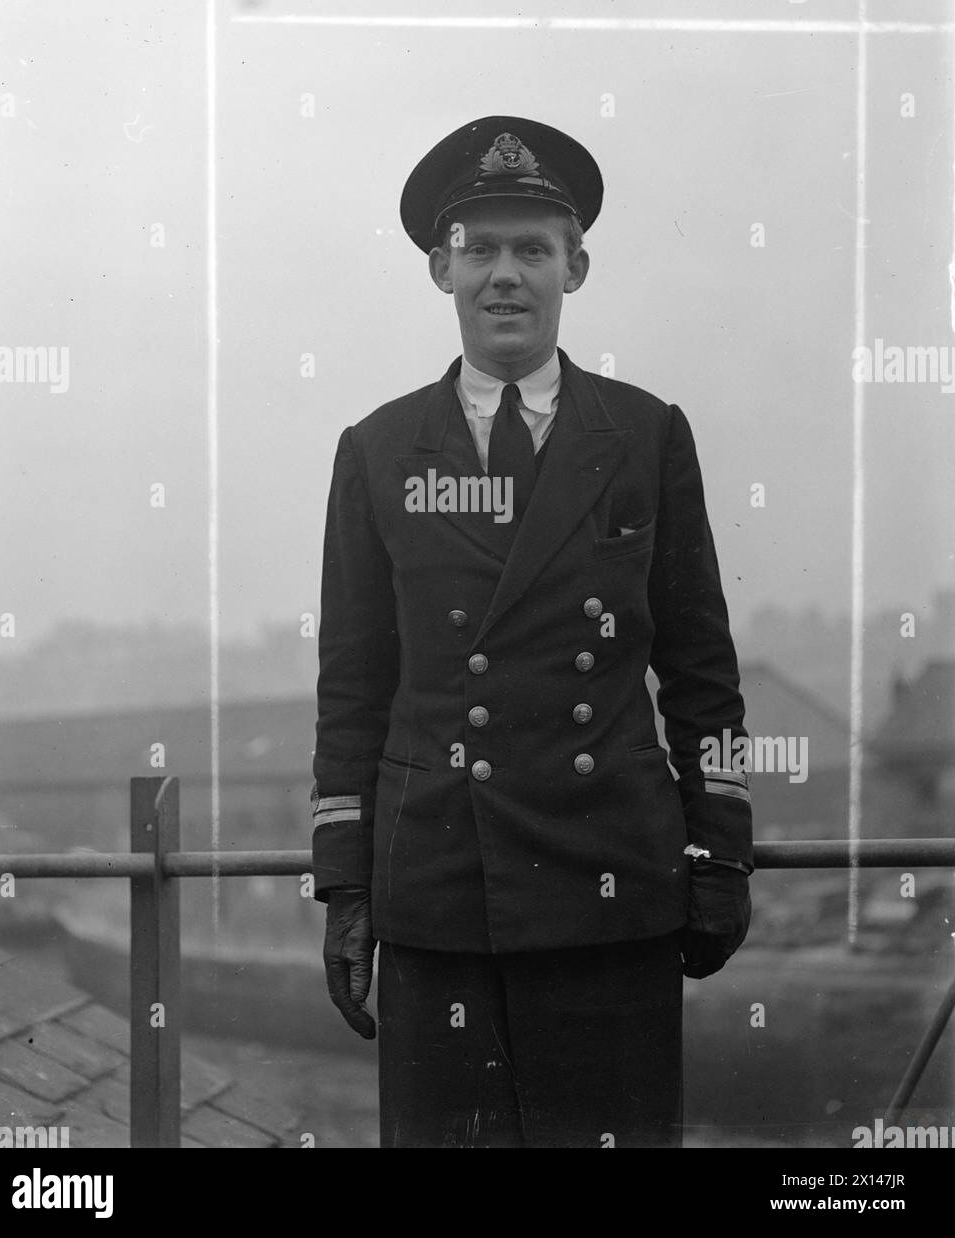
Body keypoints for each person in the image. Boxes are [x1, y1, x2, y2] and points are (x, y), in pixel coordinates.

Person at [310, 115, 752, 1148]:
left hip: (612, 894)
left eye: (532, 250)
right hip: (440, 895)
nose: (504, 276)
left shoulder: (645, 435)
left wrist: (720, 853)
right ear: (440, 268)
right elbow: (353, 683)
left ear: (575, 267)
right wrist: (344, 882)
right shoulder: (376, 452)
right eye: (480, 250)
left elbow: (702, 669)